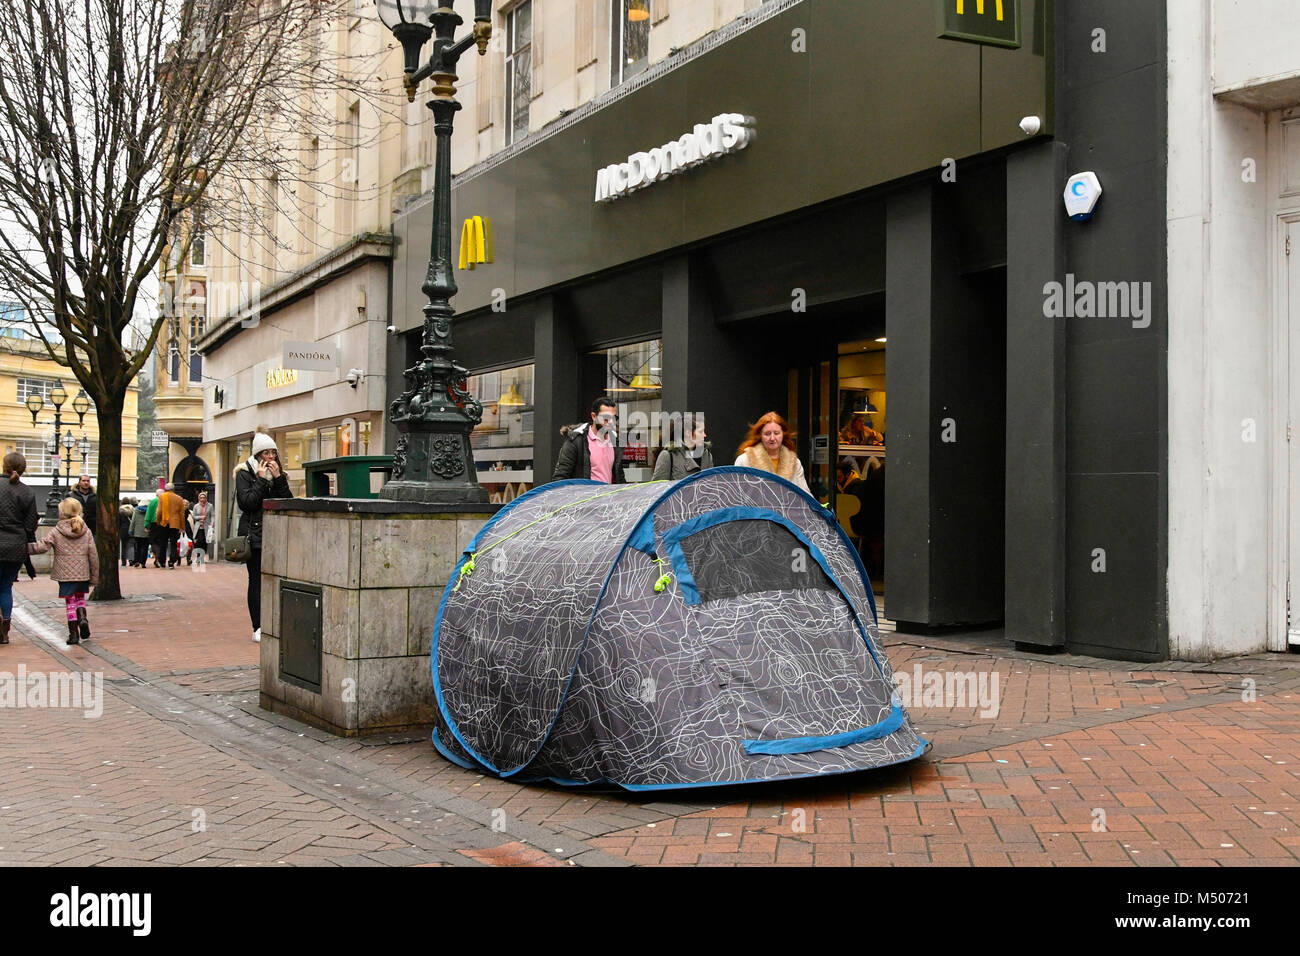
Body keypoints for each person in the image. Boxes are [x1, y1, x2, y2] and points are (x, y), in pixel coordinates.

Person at [236, 428, 292, 642]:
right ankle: (258, 626)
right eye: (266, 453)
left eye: (273, 453)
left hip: (276, 535)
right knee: (257, 581)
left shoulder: (279, 474)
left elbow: (287, 501)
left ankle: (274, 623)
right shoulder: (244, 473)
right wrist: (260, 480)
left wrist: (278, 479)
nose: (270, 457)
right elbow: (247, 503)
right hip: (255, 536)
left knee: (276, 580)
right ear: (258, 455)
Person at [28, 497, 98, 645]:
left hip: (65, 573)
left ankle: (73, 634)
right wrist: (94, 575)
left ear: (62, 513)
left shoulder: (57, 531)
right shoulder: (86, 530)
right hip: (82, 572)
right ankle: (83, 618)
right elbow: (93, 554)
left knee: (70, 602)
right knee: (80, 598)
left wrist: (24, 548)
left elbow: (42, 546)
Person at [0, 452, 39, 645]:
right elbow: (31, 523)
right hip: (16, 547)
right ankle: (5, 629)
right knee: (6, 587)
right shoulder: (27, 492)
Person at [552, 396, 625, 484]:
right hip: (585, 496)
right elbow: (561, 477)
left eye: (614, 418)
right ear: (594, 416)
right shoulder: (576, 440)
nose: (610, 422)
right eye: (606, 418)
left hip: (606, 496)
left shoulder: (615, 442)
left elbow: (619, 477)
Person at [734, 411, 810, 493]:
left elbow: (805, 496)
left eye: (776, 433)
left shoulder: (795, 463)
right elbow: (737, 495)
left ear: (783, 434)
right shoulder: (744, 460)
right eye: (767, 434)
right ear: (760, 436)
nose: (772, 438)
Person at [651, 413, 714, 482]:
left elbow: (711, 484)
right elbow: (658, 488)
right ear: (688, 433)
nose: (705, 435)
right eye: (701, 431)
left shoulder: (706, 455)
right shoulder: (668, 455)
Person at [156, 483, 187, 568]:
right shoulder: (179, 498)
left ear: (165, 489)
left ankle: (162, 561)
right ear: (174, 489)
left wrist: (158, 521)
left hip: (164, 522)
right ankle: (172, 561)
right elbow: (182, 514)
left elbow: (159, 511)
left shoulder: (162, 497)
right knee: (173, 543)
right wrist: (182, 526)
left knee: (163, 542)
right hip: (175, 523)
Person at [189, 490, 214, 571]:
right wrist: (200, 517)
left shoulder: (210, 506)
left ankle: (202, 557)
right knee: (199, 542)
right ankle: (199, 557)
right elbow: (194, 516)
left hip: (206, 527)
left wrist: (212, 523)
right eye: (201, 497)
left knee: (204, 542)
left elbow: (212, 515)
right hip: (198, 527)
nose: (202, 499)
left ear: (206, 498)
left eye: (204, 497)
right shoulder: (196, 506)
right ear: (199, 498)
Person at [144, 493, 164, 568]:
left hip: (154, 523)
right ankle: (160, 558)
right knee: (162, 541)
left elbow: (148, 514)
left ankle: (157, 557)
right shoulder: (166, 501)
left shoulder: (152, 502)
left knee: (154, 541)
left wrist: (146, 525)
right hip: (164, 523)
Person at [129, 498, 150, 567]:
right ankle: (143, 562)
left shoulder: (136, 510)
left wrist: (131, 529)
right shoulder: (149, 510)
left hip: (137, 532)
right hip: (146, 531)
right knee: (145, 547)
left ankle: (137, 561)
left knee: (138, 547)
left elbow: (133, 521)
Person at [118, 498, 135, 566]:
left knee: (123, 546)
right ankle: (131, 560)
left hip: (123, 530)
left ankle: (123, 561)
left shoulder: (120, 511)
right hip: (131, 529)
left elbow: (118, 522)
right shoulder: (133, 510)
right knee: (131, 545)